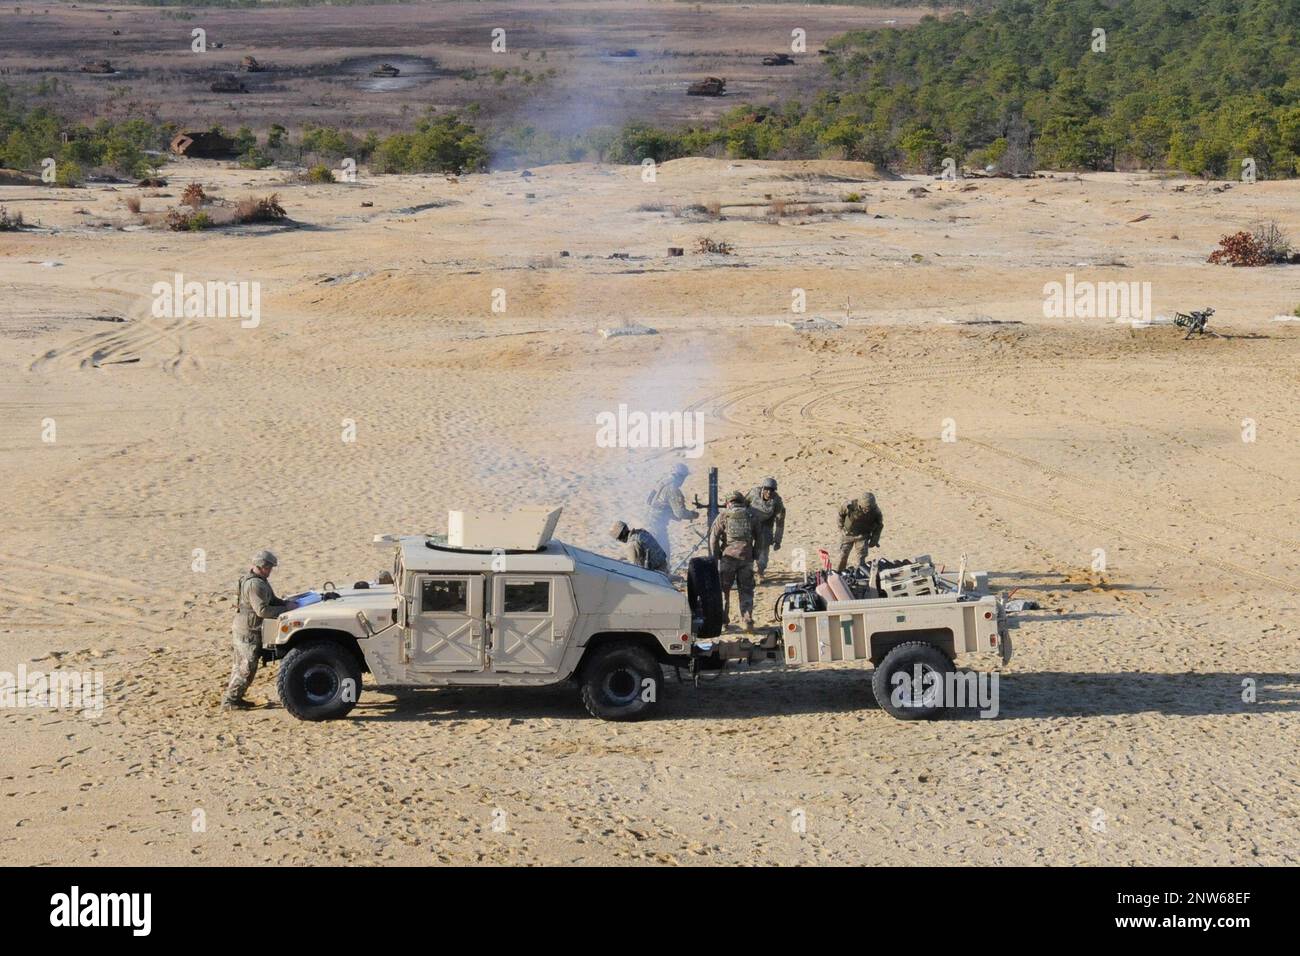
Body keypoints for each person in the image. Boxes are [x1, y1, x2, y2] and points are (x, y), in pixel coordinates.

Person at [221, 549, 292, 711]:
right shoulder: (255, 584)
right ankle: (230, 701)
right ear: (261, 566)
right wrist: (284, 609)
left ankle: (234, 698)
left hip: (248, 628)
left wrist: (285, 604)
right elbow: (262, 610)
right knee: (246, 667)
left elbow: (272, 600)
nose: (271, 571)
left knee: (241, 665)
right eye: (269, 568)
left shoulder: (260, 581)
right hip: (248, 630)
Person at [708, 490, 758, 631]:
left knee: (724, 590)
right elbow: (760, 538)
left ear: (728, 503)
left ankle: (724, 622)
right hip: (746, 558)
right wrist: (755, 555)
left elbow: (713, 539)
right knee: (746, 590)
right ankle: (747, 619)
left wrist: (716, 556)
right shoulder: (751, 515)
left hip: (728, 559)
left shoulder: (723, 515)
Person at [645, 463, 698, 563]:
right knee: (664, 555)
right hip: (657, 527)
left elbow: (650, 501)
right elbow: (680, 513)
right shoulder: (673, 489)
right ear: (680, 477)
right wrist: (693, 515)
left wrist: (668, 512)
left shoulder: (662, 482)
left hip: (648, 523)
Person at [745, 476, 785, 581]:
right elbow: (743, 504)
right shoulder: (754, 493)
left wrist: (777, 540)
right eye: (766, 489)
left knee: (763, 551)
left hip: (765, 526)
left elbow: (780, 522)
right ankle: (746, 570)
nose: (768, 492)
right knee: (745, 547)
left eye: (771, 490)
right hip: (749, 523)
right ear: (762, 488)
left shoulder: (777, 502)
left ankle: (760, 571)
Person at [836, 491, 883, 571]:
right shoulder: (849, 505)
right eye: (866, 508)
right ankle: (839, 573)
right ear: (860, 504)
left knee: (861, 560)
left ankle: (859, 575)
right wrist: (841, 528)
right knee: (843, 556)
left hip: (862, 536)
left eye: (869, 508)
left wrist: (874, 540)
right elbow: (840, 514)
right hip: (848, 535)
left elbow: (879, 526)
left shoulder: (875, 511)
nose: (867, 510)